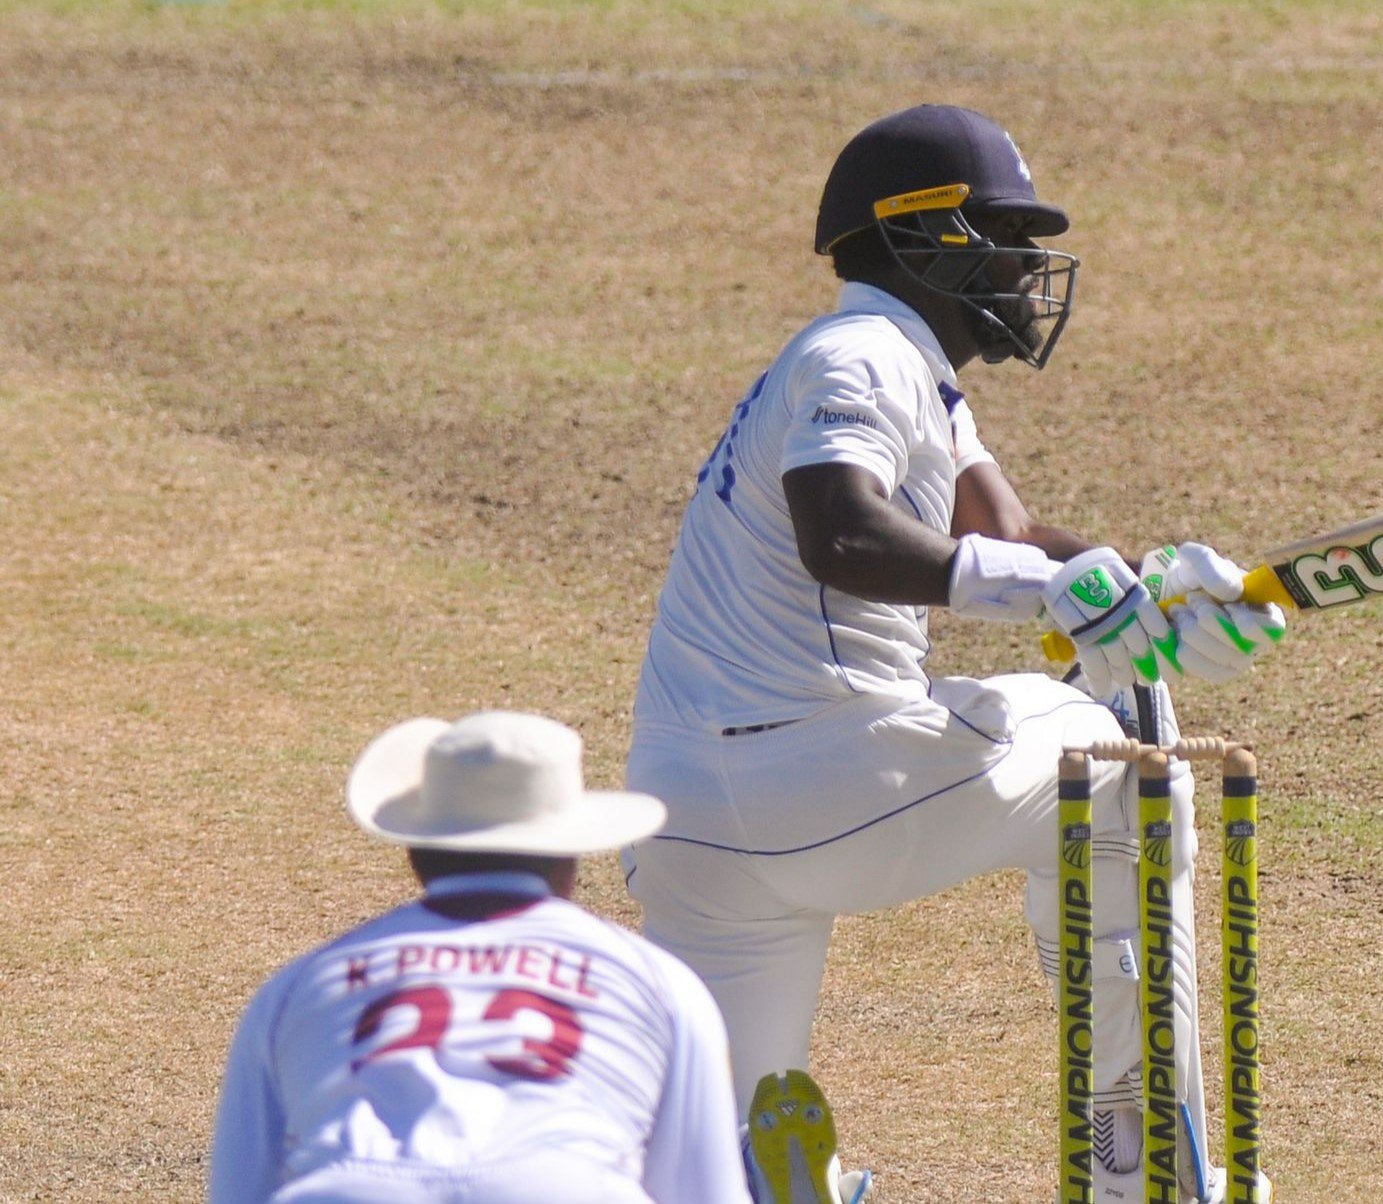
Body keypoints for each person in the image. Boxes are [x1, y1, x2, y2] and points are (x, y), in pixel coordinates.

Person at [621, 103, 1283, 1203]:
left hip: (687, 819)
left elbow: (1012, 536)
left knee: (730, 1153)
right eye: (1007, 233)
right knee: (1115, 754)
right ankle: (1140, 1166)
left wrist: (1152, 582)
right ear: (922, 236)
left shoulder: (899, 365)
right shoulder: (861, 355)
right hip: (815, 778)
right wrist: (1058, 596)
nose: (1028, 265)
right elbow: (841, 533)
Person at [208, 711, 747, 1204]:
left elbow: (239, 1189)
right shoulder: (658, 981)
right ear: (569, 855)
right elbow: (703, 1192)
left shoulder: (300, 986)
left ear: (415, 851)